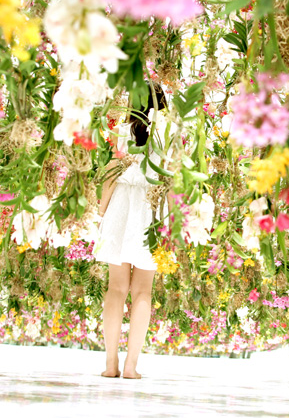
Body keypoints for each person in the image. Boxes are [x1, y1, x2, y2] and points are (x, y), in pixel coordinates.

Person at [95, 84, 167, 379]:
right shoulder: (168, 134)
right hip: (151, 206)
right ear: (162, 103)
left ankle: (110, 364)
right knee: (142, 291)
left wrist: (102, 208)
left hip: (121, 206)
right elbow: (172, 178)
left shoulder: (122, 132)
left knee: (116, 289)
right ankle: (131, 366)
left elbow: (111, 173)